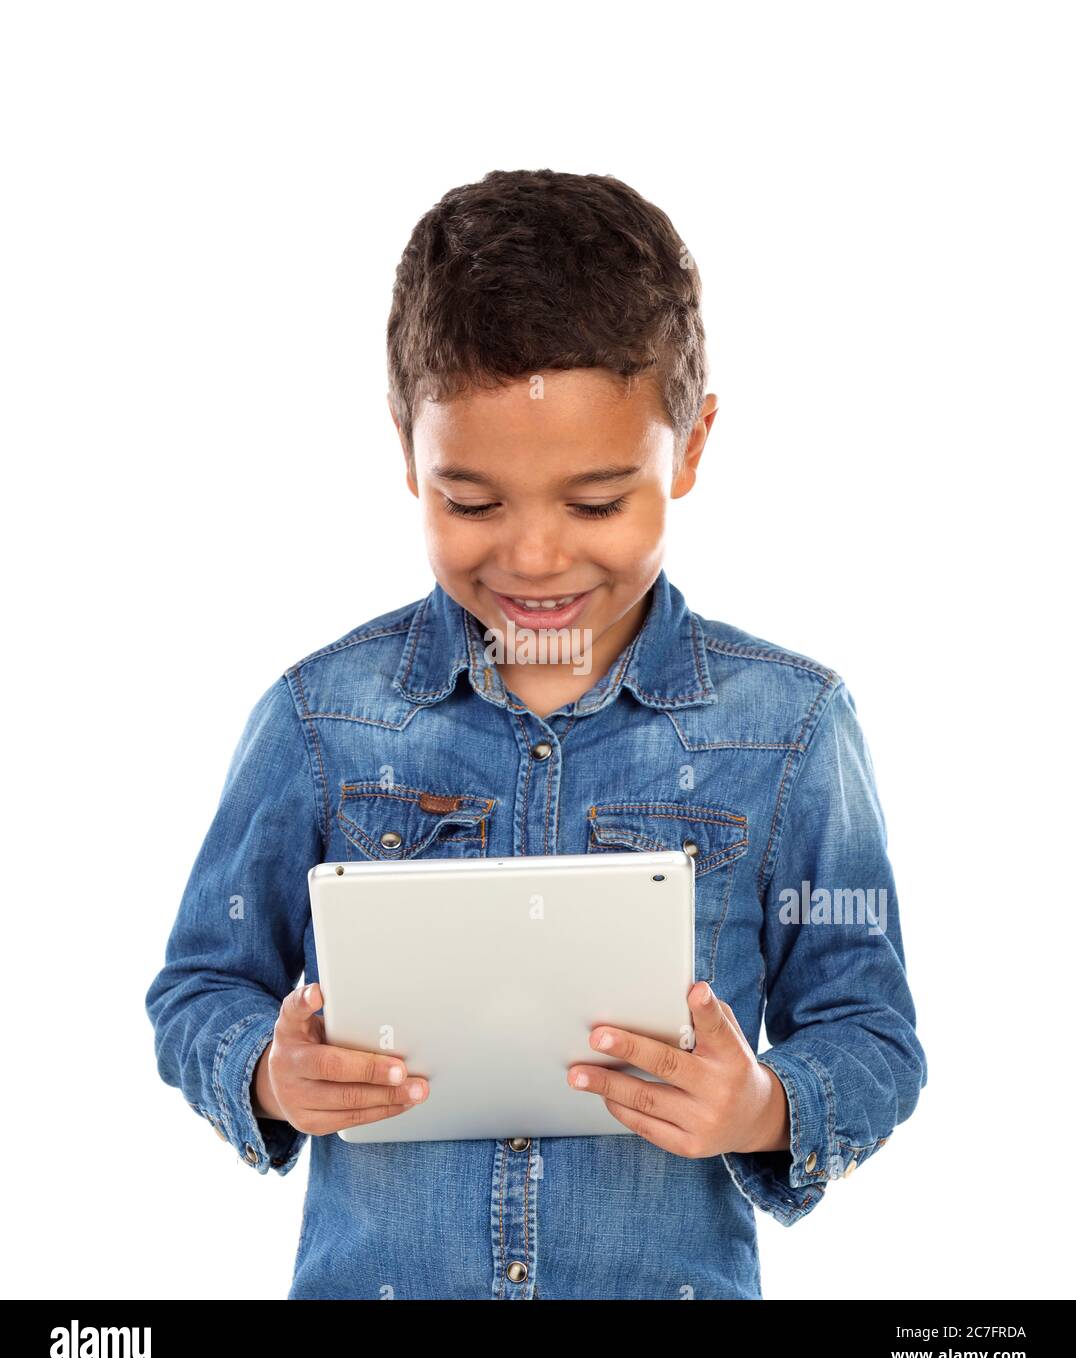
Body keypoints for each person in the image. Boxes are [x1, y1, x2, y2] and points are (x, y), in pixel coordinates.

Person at [145, 168, 927, 1300]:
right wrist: (267, 1074)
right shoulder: (321, 716)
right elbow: (200, 986)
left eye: (596, 502)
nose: (534, 557)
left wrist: (762, 1107)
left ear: (691, 448)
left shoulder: (790, 727)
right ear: (407, 451)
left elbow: (868, 1029)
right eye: (471, 503)